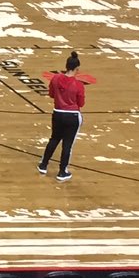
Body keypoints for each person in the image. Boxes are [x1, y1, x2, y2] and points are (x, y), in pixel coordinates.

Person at [38, 51, 93, 181]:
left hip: (57, 113)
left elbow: (51, 94)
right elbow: (81, 103)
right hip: (72, 116)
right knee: (67, 145)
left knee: (54, 139)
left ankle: (43, 164)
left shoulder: (55, 78)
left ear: (66, 65)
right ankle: (62, 171)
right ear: (77, 69)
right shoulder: (78, 85)